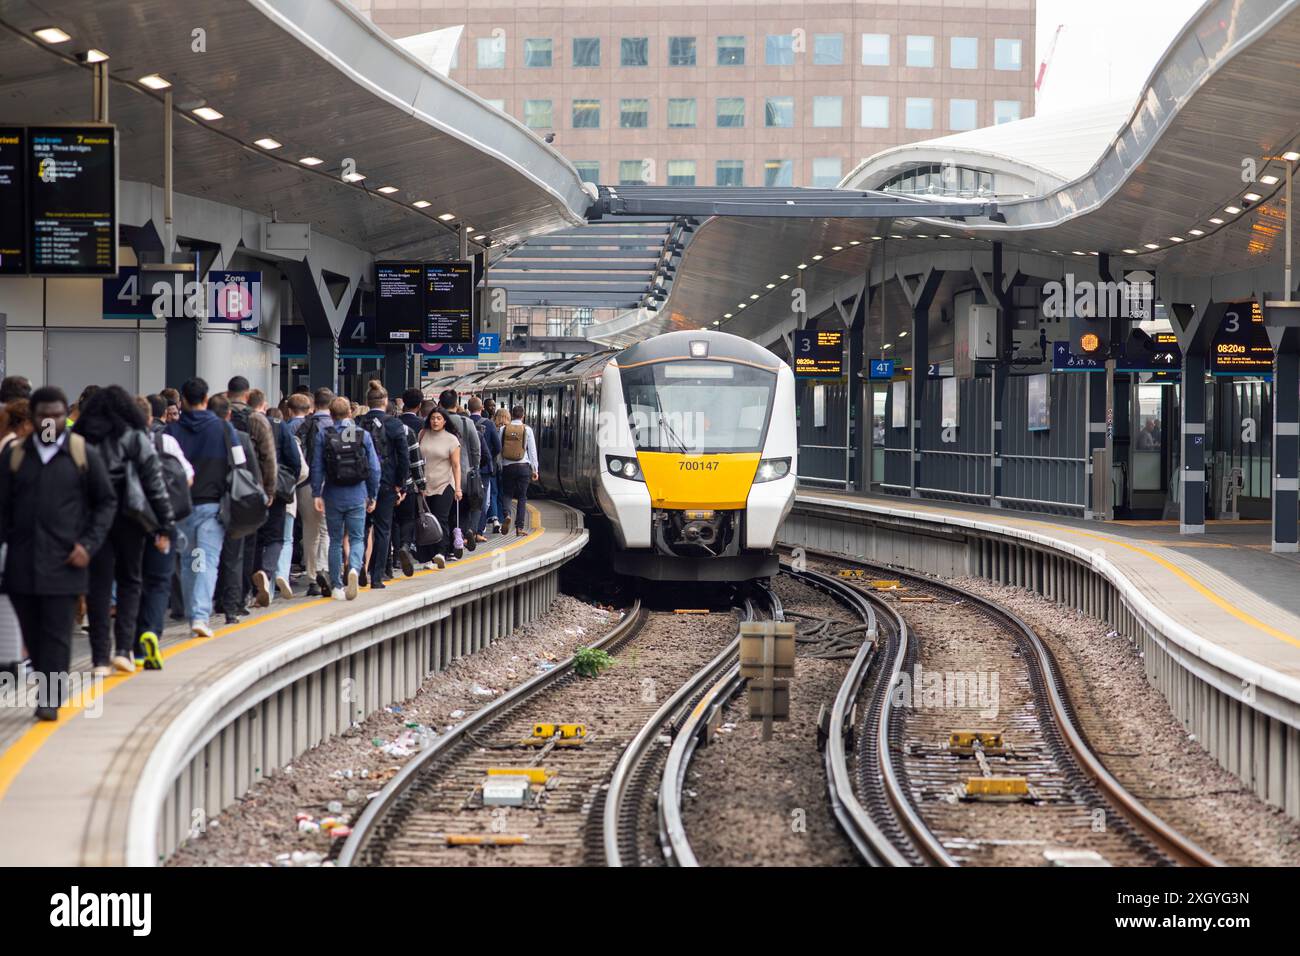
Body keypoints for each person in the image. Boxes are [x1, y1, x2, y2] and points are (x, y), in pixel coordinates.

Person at [0, 386, 116, 720]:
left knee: (56, 632)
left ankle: (50, 698)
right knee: (32, 634)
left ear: (65, 416)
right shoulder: (16, 456)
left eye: (57, 415)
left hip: (66, 562)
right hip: (23, 563)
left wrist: (88, 545)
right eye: (43, 416)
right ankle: (45, 682)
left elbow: (106, 502)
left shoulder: (82, 454)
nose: (50, 422)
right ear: (32, 418)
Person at [75, 386, 176, 675]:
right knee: (131, 580)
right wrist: (165, 524)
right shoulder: (136, 437)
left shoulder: (80, 439)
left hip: (94, 520)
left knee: (98, 587)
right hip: (132, 519)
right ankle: (123, 650)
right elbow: (154, 484)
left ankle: (99, 659)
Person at [167, 378, 239, 638]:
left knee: (188, 561)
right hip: (214, 505)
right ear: (206, 399)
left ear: (182, 401)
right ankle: (200, 615)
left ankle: (192, 613)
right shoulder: (223, 429)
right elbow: (240, 464)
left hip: (180, 506)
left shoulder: (171, 432)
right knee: (207, 560)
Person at [135, 394, 193, 668]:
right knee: (158, 582)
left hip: (126, 527)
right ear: (150, 418)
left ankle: (128, 647)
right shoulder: (165, 441)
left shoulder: (114, 444)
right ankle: (152, 633)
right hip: (161, 523)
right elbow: (187, 476)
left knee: (130, 582)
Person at [312, 397, 379, 600]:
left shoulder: (324, 435)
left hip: (332, 494)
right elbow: (374, 468)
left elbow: (317, 467)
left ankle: (337, 587)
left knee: (335, 541)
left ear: (331, 415)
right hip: (357, 494)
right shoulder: (361, 434)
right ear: (350, 413)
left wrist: (316, 493)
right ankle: (354, 569)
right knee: (358, 538)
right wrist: (373, 494)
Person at [210, 394, 263, 624]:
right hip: (232, 503)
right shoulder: (240, 438)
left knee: (205, 556)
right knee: (233, 556)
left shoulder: (196, 434)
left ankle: (200, 605)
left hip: (203, 501)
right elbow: (249, 470)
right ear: (229, 414)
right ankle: (232, 607)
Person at [249, 389, 300, 607]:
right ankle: (267, 574)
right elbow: (295, 460)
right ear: (264, 404)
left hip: (246, 489)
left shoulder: (241, 422)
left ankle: (253, 590)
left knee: (253, 540)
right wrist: (289, 482)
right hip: (275, 489)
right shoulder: (280, 427)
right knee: (276, 538)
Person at [357, 385, 409, 590]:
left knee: (360, 529)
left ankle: (358, 565)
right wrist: (401, 484)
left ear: (368, 402)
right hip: (386, 483)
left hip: (359, 483)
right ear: (385, 401)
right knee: (383, 529)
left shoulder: (357, 422)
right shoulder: (395, 424)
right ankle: (377, 576)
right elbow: (404, 457)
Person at [0, 400, 34, 676]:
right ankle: (18, 659)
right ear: (24, 424)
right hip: (12, 536)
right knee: (15, 599)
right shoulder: (14, 449)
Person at [292, 388, 334, 595]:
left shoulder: (303, 425)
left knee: (310, 532)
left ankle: (311, 579)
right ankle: (323, 570)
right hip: (332, 484)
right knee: (327, 531)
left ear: (313, 404)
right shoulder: (338, 425)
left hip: (306, 484)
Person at [274, 392, 312, 599]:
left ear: (289, 410)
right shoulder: (309, 428)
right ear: (309, 409)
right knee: (289, 538)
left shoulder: (285, 428)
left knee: (270, 538)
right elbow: (302, 468)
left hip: (267, 493)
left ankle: (270, 581)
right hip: (293, 492)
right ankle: (284, 573)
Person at [418, 407, 461, 570]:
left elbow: (456, 465)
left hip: (445, 484)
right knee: (426, 521)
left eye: (439, 418)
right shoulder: (422, 434)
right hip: (424, 485)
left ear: (445, 421)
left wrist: (458, 488)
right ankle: (427, 557)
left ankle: (441, 553)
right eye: (433, 418)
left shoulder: (452, 439)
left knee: (440, 518)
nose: (435, 421)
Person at [392, 388, 428, 576]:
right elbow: (415, 460)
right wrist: (421, 483)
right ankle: (405, 547)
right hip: (407, 483)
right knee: (407, 519)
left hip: (385, 484)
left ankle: (393, 556)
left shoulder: (391, 426)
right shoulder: (417, 427)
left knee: (391, 522)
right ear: (420, 405)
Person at [439, 390, 480, 552]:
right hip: (463, 474)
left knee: (444, 512)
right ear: (456, 404)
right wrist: (474, 469)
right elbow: (476, 449)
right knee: (463, 509)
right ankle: (463, 532)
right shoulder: (467, 422)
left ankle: (450, 546)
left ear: (440, 404)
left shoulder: (436, 422)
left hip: (441, 476)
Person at [499, 405, 538, 537]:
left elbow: (500, 449)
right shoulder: (527, 429)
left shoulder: (504, 429)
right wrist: (535, 469)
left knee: (507, 494)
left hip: (507, 466)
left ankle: (507, 514)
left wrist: (500, 465)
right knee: (522, 497)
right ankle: (519, 528)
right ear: (523, 416)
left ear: (512, 415)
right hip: (523, 467)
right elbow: (532, 451)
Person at [469, 397, 500, 543]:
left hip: (466, 469)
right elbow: (498, 446)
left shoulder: (464, 423)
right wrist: (487, 460)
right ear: (482, 408)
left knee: (467, 498)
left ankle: (466, 530)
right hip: (485, 470)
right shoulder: (489, 424)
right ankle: (478, 531)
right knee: (482, 500)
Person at [491, 406, 512, 530]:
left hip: (494, 465)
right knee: (503, 493)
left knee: (494, 492)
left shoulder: (493, 428)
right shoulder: (511, 430)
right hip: (507, 466)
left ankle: (495, 519)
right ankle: (505, 515)